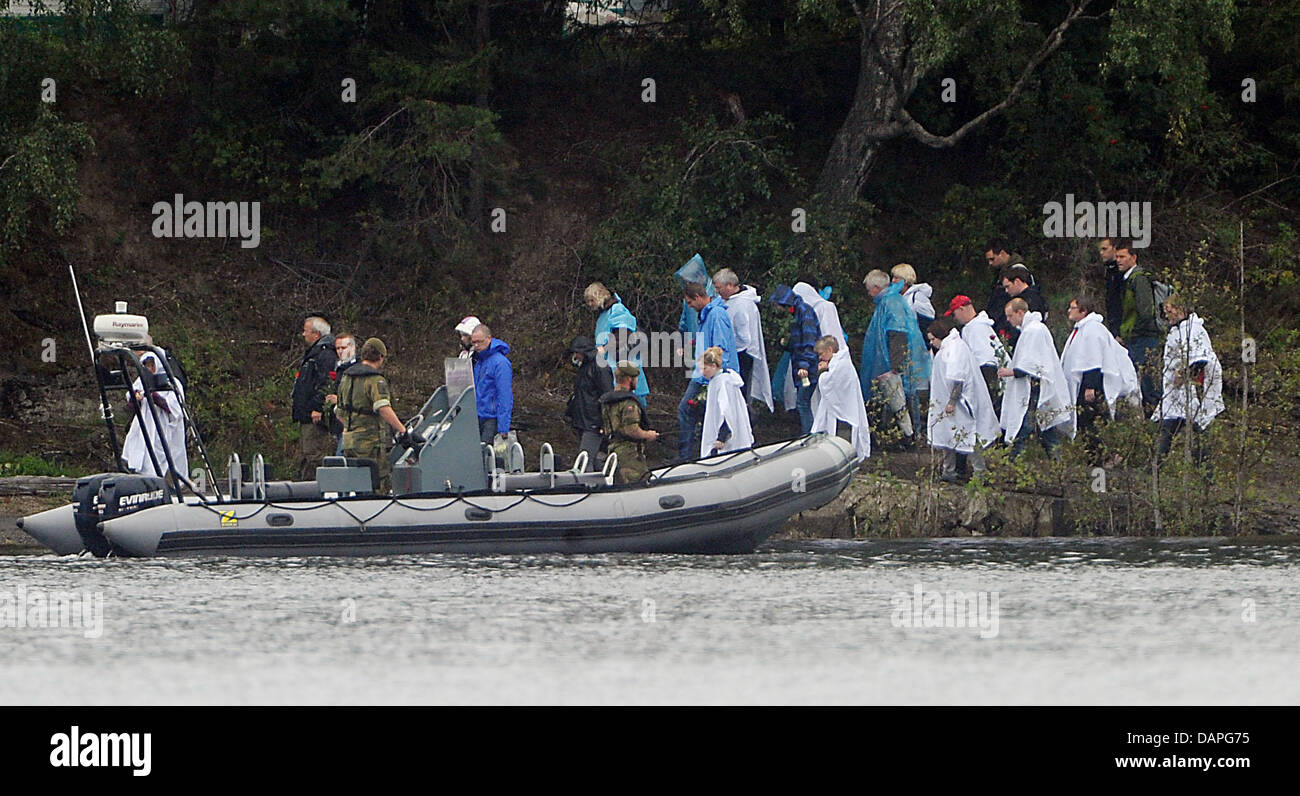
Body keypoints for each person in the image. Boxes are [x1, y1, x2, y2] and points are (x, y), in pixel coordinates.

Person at [1059, 295, 1139, 461]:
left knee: (1092, 421)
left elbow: (1094, 359)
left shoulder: (1093, 330)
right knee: (1088, 421)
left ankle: (1101, 457)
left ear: (1083, 310)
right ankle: (1098, 455)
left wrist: (1090, 385)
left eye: (1072, 308)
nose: (1069, 311)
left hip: (1093, 384)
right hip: (1084, 382)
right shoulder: (1082, 329)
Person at [328, 337, 411, 493]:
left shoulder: (346, 378)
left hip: (348, 442)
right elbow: (383, 408)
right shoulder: (374, 380)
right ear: (380, 357)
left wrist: (351, 428)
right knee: (376, 486)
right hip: (370, 445)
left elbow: (338, 411)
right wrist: (403, 431)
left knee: (355, 486)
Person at [997, 298, 1075, 458]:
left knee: (1025, 424)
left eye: (1010, 315)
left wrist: (1011, 372)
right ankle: (1055, 460)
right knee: (1044, 425)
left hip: (1036, 385)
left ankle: (1014, 459)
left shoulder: (1034, 331)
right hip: (1035, 384)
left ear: (1020, 312)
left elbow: (1032, 364)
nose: (1008, 320)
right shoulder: (1031, 330)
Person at [860, 269, 930, 445]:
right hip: (890, 362)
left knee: (898, 403)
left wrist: (895, 365)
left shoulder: (890, 302)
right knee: (895, 402)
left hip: (892, 365)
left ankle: (908, 437)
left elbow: (897, 333)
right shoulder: (889, 301)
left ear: (876, 287)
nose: (869, 294)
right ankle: (899, 437)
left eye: (869, 289)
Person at [1153, 296, 1223, 469]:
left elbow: (1201, 359)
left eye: (1170, 311)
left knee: (1197, 427)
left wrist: (1184, 375)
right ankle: (1155, 467)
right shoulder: (1176, 331)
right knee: (1168, 424)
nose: (1167, 315)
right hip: (1177, 390)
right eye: (1166, 312)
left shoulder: (1195, 330)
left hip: (1193, 388)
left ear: (1180, 309)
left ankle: (1205, 472)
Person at [926, 318, 999, 482]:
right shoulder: (950, 347)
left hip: (960, 402)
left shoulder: (954, 348)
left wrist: (952, 401)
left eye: (932, 339)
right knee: (949, 435)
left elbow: (958, 377)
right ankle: (949, 471)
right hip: (948, 402)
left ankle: (980, 472)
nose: (931, 343)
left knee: (968, 435)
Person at [676, 282, 738, 462]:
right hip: (704, 372)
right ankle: (700, 450)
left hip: (710, 374)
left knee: (686, 410)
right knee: (703, 412)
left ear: (698, 297)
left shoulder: (716, 315)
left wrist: (713, 373)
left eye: (689, 302)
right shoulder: (706, 315)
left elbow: (720, 347)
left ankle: (686, 456)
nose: (689, 307)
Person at [121, 351, 189, 482]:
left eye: (152, 365)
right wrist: (136, 396)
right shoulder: (142, 380)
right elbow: (131, 397)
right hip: (145, 423)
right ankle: (144, 482)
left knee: (162, 456)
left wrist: (154, 397)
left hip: (163, 425)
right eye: (147, 366)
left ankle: (165, 483)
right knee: (142, 454)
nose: (150, 369)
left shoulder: (172, 381)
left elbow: (176, 407)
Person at [713, 267, 774, 411]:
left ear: (730, 286)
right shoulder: (733, 301)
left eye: (719, 288)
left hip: (742, 353)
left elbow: (743, 336)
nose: (717, 292)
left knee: (739, 388)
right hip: (739, 351)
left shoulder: (742, 304)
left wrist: (731, 350)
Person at [1114, 239, 1163, 410]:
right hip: (1137, 338)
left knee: (1149, 382)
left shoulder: (1139, 280)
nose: (1118, 260)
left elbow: (1145, 312)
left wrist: (1131, 332)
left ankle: (1155, 419)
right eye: (1117, 257)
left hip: (1144, 338)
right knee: (1139, 381)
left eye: (1122, 256)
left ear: (1133, 257)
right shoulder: (1129, 279)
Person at [585, 282, 649, 406]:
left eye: (591, 300)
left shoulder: (617, 310)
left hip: (620, 362)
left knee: (630, 400)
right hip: (610, 363)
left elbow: (623, 334)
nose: (589, 304)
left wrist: (605, 348)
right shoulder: (604, 313)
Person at [768, 284, 821, 434]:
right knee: (803, 403)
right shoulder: (797, 313)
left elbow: (810, 342)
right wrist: (786, 345)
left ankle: (809, 438)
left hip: (807, 367)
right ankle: (808, 436)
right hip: (801, 365)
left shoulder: (805, 312)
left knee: (802, 403)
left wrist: (804, 365)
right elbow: (799, 342)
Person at [810, 335, 871, 462]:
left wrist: (822, 372)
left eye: (821, 354)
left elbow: (827, 385)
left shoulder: (841, 365)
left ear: (830, 350)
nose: (820, 357)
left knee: (842, 447)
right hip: (840, 412)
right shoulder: (838, 363)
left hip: (843, 415)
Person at [292, 315, 338, 481]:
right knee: (306, 454)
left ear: (317, 334)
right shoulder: (314, 353)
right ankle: (304, 488)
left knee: (313, 455)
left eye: (306, 331)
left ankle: (315, 489)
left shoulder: (325, 355)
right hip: (306, 414)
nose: (303, 335)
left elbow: (326, 383)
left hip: (314, 415)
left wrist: (318, 407)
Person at [600, 362, 660, 484]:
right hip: (629, 455)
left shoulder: (607, 400)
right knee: (638, 484)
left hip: (611, 450)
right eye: (636, 378)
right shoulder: (628, 403)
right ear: (629, 379)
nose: (637, 381)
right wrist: (648, 435)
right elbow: (631, 430)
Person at [564, 335, 614, 471]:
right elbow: (581, 394)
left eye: (577, 353)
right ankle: (600, 483)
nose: (575, 356)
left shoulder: (600, 368)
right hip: (583, 420)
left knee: (585, 459)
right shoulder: (585, 368)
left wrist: (605, 422)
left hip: (594, 422)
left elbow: (608, 396)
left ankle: (588, 486)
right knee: (593, 457)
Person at [947, 294, 1007, 400]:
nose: (955, 318)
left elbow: (983, 358)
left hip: (988, 374)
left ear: (961, 309)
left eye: (954, 314)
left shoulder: (974, 328)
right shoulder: (980, 325)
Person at [699, 346, 754, 458]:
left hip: (728, 437)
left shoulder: (724, 382)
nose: (702, 372)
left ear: (713, 366)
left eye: (705, 368)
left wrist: (721, 437)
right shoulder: (715, 381)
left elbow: (727, 411)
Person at [470, 323, 514, 447]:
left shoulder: (501, 363)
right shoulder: (478, 361)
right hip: (477, 416)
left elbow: (505, 396)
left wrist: (503, 427)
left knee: (486, 455)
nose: (476, 346)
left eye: (479, 342)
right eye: (474, 343)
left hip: (492, 418)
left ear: (489, 339)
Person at [1001, 264, 1049, 344]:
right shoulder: (1035, 295)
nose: (1006, 291)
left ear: (1017, 282)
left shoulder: (1032, 299)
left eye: (1008, 286)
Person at [984, 238, 1023, 337]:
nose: (990, 263)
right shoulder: (1002, 272)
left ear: (1002, 253)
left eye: (992, 259)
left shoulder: (1018, 271)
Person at [329, 333, 359, 455]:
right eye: (337, 348)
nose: (340, 351)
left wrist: (339, 400)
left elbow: (359, 396)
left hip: (353, 425)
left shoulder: (359, 369)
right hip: (339, 423)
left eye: (343, 348)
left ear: (353, 347)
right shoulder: (338, 368)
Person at [890, 263, 935, 338]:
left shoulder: (917, 297)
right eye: (893, 277)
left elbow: (927, 323)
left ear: (906, 280)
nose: (893, 281)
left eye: (896, 278)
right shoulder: (896, 298)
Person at [1099, 238, 1125, 337]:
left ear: (1114, 249)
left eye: (1105, 249)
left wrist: (1118, 331)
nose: (1102, 253)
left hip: (1122, 329)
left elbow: (1119, 303)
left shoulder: (1120, 273)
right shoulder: (1110, 271)